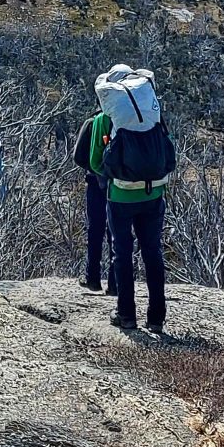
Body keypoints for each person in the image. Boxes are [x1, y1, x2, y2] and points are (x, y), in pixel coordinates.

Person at [88, 66, 171, 333]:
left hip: (121, 195)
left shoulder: (105, 118)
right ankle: (156, 317)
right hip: (154, 192)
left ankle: (126, 315)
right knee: (153, 252)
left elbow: (94, 162)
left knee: (121, 253)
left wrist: (114, 175)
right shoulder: (153, 114)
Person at [73, 116, 116, 295]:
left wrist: (93, 169)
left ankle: (93, 278)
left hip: (95, 183)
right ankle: (116, 283)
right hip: (121, 184)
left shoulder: (93, 123)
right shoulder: (127, 120)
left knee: (95, 230)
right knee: (117, 233)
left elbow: (78, 156)